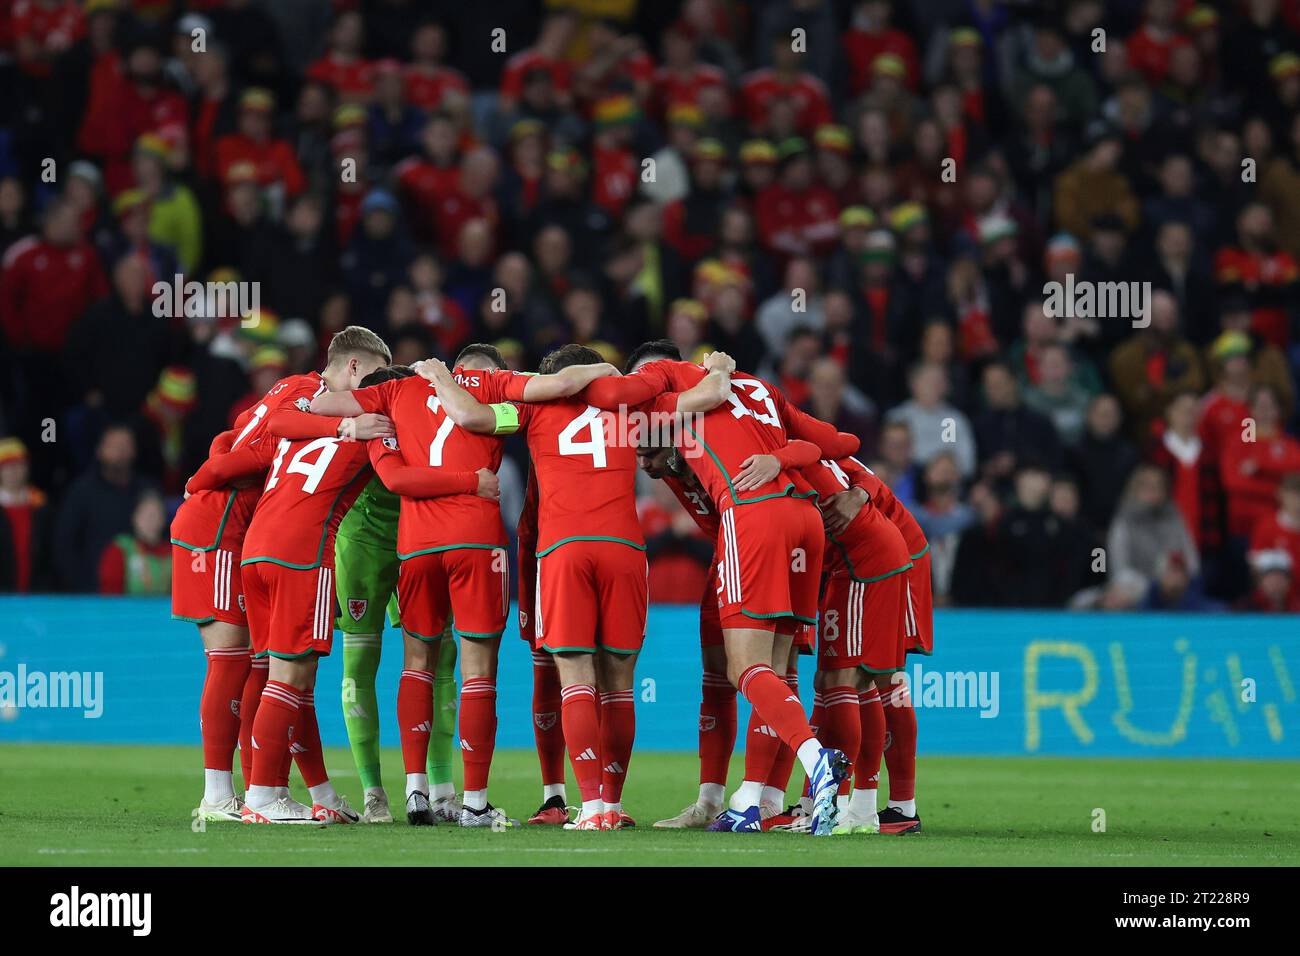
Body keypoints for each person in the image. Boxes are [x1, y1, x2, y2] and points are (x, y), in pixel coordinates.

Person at [312, 342, 618, 828]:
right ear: (492, 371)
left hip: (414, 545)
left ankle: (414, 791)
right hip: (475, 542)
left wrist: (355, 425)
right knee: (477, 671)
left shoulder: (401, 388)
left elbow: (322, 402)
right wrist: (607, 368)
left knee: (417, 663)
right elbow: (559, 385)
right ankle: (473, 801)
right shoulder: (495, 389)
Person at [580, 341, 857, 835]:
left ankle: (816, 760)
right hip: (803, 519)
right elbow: (835, 441)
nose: (644, 461)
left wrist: (550, 384)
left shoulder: (672, 390)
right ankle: (759, 799)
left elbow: (612, 395)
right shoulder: (758, 390)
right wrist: (784, 457)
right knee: (776, 669)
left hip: (751, 519)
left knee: (744, 668)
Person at [170, 326, 393, 823]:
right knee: (239, 664)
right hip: (231, 523)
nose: (377, 393)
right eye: (375, 377)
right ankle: (233, 795)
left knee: (265, 669)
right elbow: (255, 449)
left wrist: (209, 468)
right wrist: (202, 479)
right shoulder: (316, 403)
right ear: (353, 367)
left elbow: (233, 435)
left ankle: (286, 792)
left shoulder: (292, 392)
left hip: (246, 532)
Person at [98, 492, 171, 594]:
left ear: (163, 519)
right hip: (126, 609)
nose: (150, 521)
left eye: (155, 514)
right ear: (134, 518)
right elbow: (110, 597)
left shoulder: (174, 551)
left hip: (166, 610)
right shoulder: (120, 549)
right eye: (145, 514)